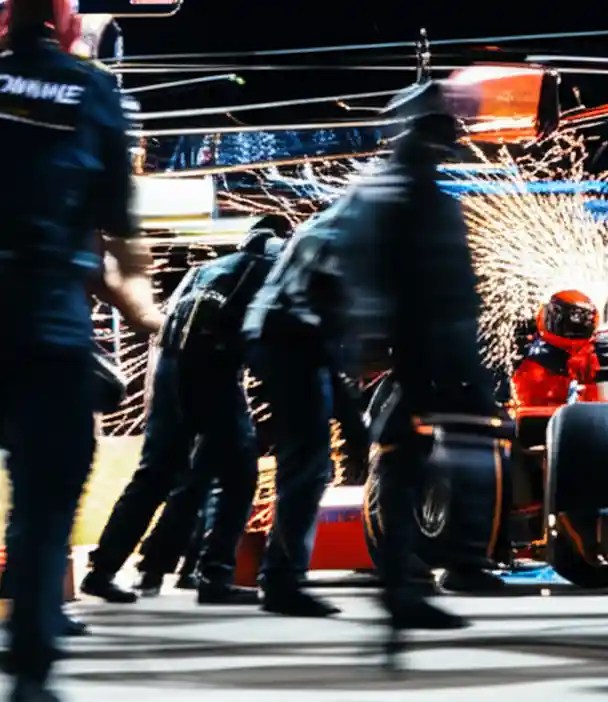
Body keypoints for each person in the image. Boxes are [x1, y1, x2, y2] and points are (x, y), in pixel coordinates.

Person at [246, 78, 503, 632]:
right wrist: (368, 363)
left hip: (318, 328)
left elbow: (438, 284)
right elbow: (363, 283)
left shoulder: (420, 191)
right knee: (313, 455)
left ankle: (421, 576)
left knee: (392, 447)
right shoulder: (386, 191)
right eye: (438, 130)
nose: (448, 142)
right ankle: (286, 581)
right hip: (291, 329)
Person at [0, 0, 157, 702]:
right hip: (47, 329)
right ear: (68, 29)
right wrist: (148, 316)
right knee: (43, 502)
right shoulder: (94, 93)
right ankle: (31, 676)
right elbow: (124, 237)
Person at [80, 224, 286, 608]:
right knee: (240, 473)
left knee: (156, 475)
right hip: (213, 369)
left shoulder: (204, 270)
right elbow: (261, 338)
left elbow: (166, 323)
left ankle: (103, 571)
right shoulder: (268, 269)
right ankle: (215, 575)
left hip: (169, 367)